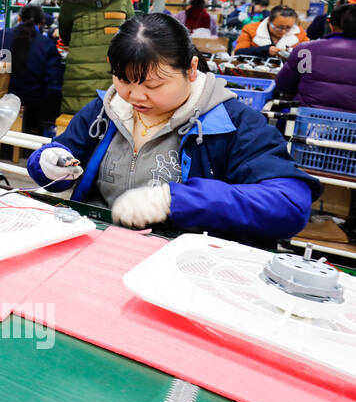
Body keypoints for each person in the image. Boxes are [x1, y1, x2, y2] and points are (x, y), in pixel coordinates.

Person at [26, 13, 318, 247]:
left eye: (153, 85)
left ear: (191, 69)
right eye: (123, 80)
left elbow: (289, 203)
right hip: (98, 246)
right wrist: (48, 163)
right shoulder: (105, 110)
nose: (135, 96)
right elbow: (65, 153)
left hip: (186, 264)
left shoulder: (234, 123)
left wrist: (178, 200)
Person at [58, 0, 133, 115]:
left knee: (76, 118)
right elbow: (132, 30)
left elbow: (64, 35)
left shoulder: (69, 2)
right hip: (112, 69)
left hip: (79, 73)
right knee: (110, 115)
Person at [0, 4, 63, 136]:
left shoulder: (0, 36)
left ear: (18, 18)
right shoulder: (47, 45)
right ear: (41, 23)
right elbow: (53, 84)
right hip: (33, 111)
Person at [271, 4, 356, 113]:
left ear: (332, 26)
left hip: (305, 120)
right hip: (350, 127)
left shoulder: (307, 50)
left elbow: (284, 85)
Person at [233, 4, 306, 58]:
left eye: (288, 28)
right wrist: (264, 50)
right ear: (269, 21)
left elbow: (309, 53)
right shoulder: (250, 29)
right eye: (279, 27)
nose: (283, 31)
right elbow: (239, 52)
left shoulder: (299, 33)